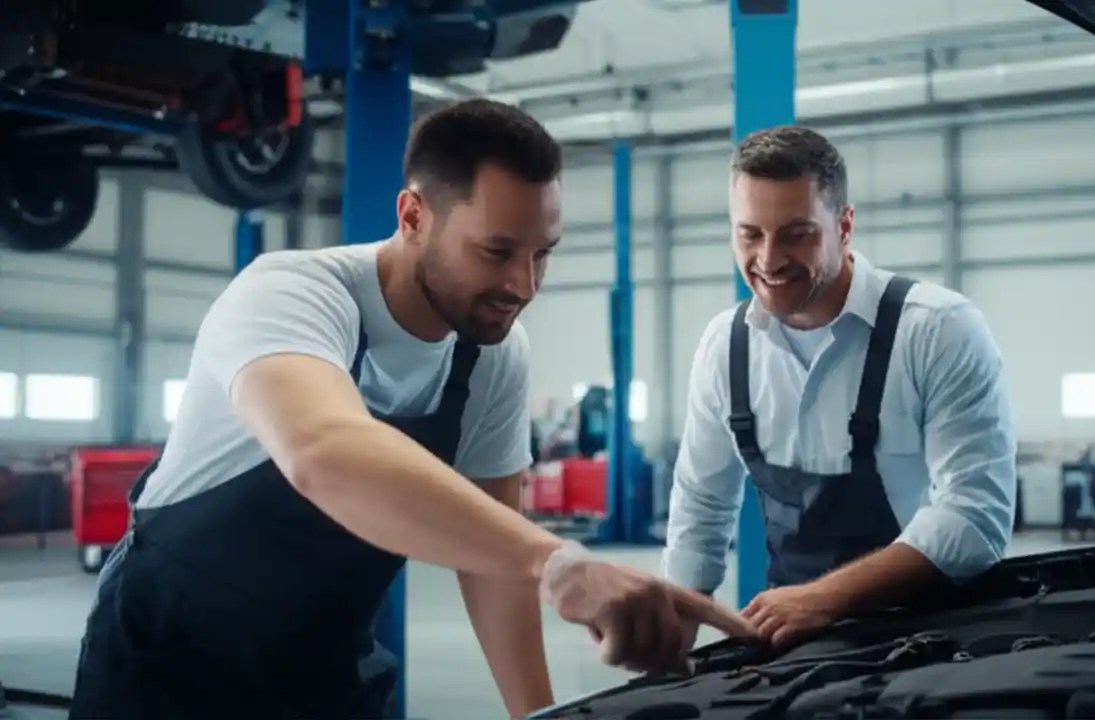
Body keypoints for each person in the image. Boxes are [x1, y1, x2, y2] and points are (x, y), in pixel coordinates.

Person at [69, 99, 754, 720]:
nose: (523, 284)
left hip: (324, 672)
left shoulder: (493, 355)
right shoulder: (292, 294)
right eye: (497, 251)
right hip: (166, 664)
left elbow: (492, 554)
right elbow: (326, 451)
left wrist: (538, 714)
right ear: (413, 216)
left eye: (542, 254)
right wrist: (563, 562)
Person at [661, 126, 1017, 648]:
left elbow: (975, 516)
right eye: (750, 234)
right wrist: (673, 642)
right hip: (797, 646)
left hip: (933, 643)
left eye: (797, 233)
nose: (770, 259)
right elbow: (700, 506)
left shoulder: (937, 330)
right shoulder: (725, 347)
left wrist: (823, 598)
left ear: (845, 226)